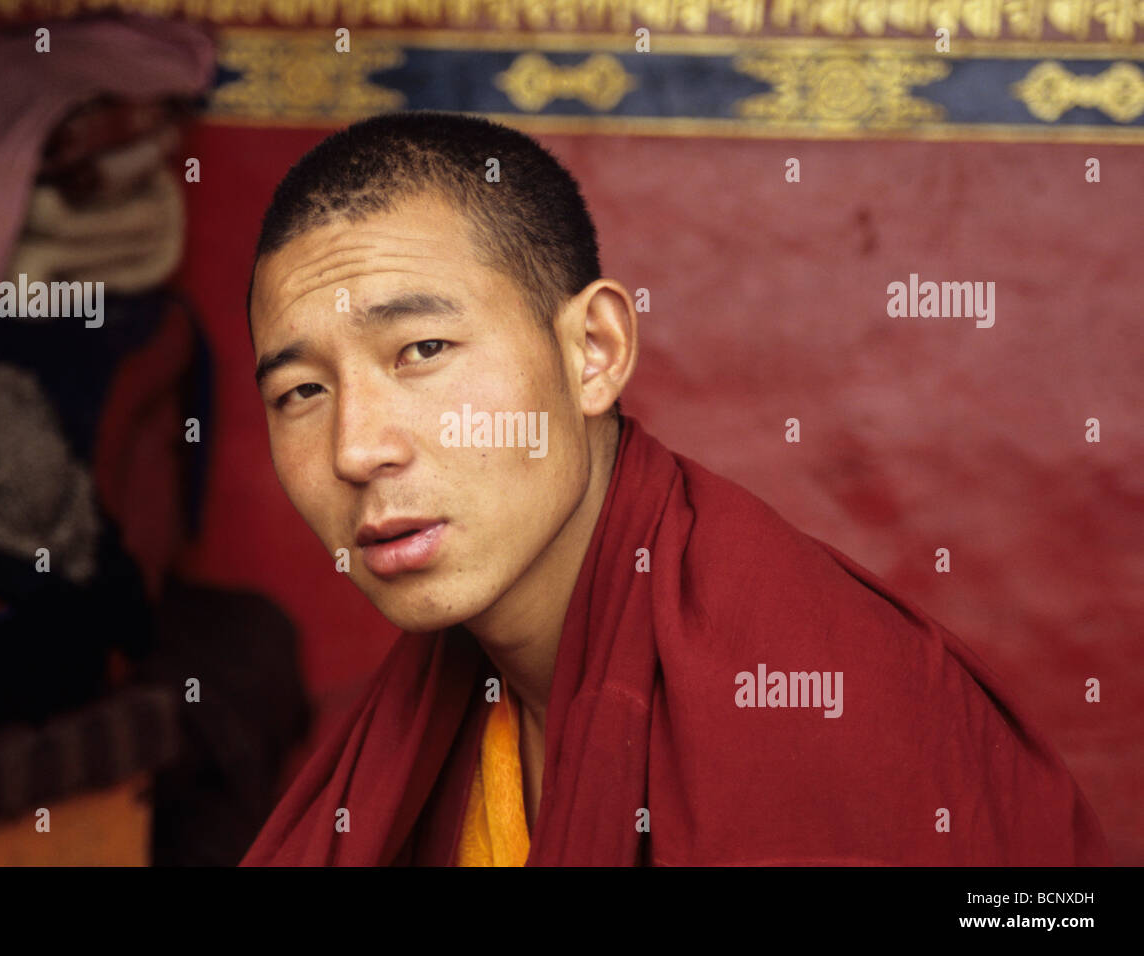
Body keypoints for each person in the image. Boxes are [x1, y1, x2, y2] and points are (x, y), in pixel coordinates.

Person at [239, 110, 1110, 866]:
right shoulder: (449, 702)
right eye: (300, 392)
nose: (355, 447)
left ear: (594, 353)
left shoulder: (805, 710)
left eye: (422, 351)